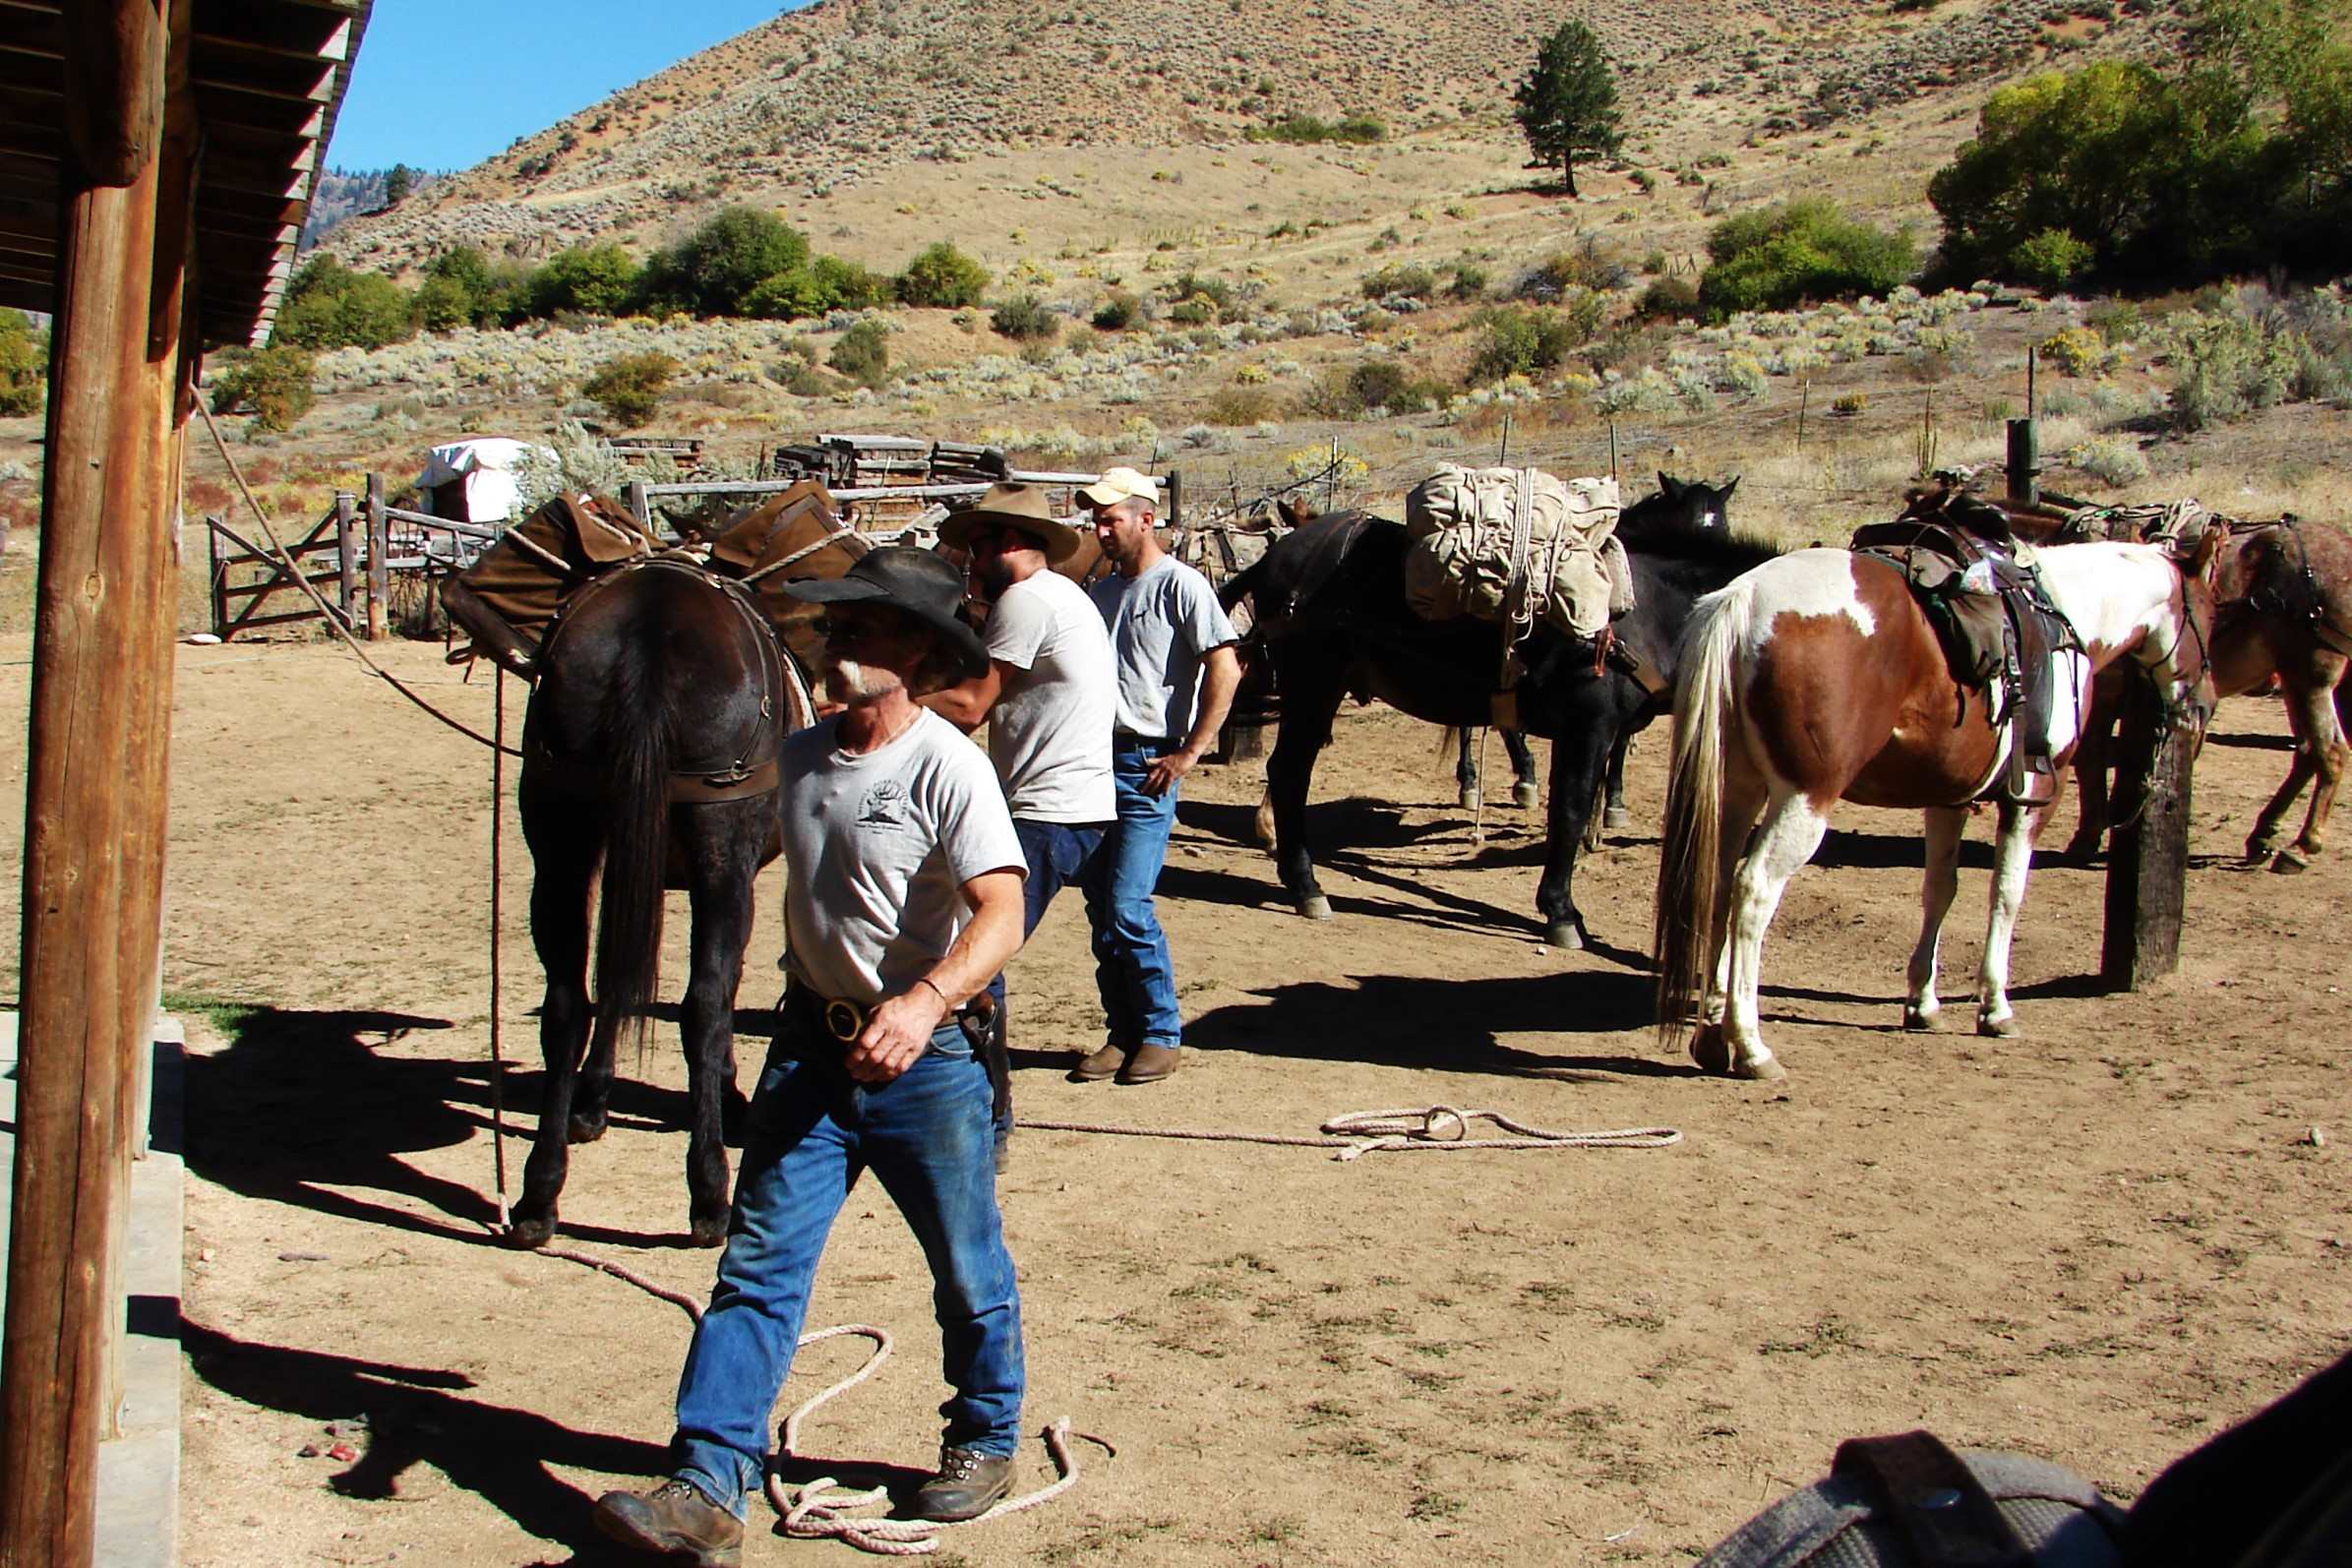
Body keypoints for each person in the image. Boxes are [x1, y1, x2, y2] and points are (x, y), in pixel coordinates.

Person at [592, 548, 1030, 1564]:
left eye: (858, 629)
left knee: (966, 1268)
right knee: (755, 1270)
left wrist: (924, 1003)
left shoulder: (948, 765)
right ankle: (707, 1481)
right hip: (809, 1054)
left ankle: (985, 1436)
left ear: (915, 651)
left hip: (928, 1066)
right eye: (831, 627)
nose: (831, 643)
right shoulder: (795, 758)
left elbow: (1004, 911)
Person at [927, 483, 1116, 1165]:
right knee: (978, 950)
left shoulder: (1025, 600)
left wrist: (879, 702)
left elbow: (971, 705)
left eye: (977, 547)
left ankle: (988, 1120)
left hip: (1047, 806)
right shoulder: (1064, 597)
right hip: (1068, 803)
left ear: (1008, 543)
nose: (971, 560)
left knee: (976, 956)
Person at [1073, 466, 1241, 1086]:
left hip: (1148, 762)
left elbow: (1224, 668)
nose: (1101, 528)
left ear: (1146, 519)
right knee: (1099, 905)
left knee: (1126, 904)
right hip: (1095, 762)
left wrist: (1192, 750)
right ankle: (1123, 1031)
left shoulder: (1182, 586)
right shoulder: (1101, 593)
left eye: (1110, 518)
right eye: (1096, 518)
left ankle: (1162, 1031)